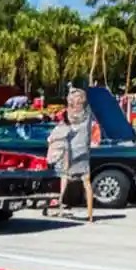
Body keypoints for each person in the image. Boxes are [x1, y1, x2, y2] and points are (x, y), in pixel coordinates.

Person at [51, 88, 96, 221]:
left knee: (63, 179)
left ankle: (59, 208)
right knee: (86, 183)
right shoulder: (87, 113)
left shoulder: (70, 115)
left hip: (70, 151)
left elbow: (64, 126)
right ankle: (90, 215)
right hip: (84, 151)